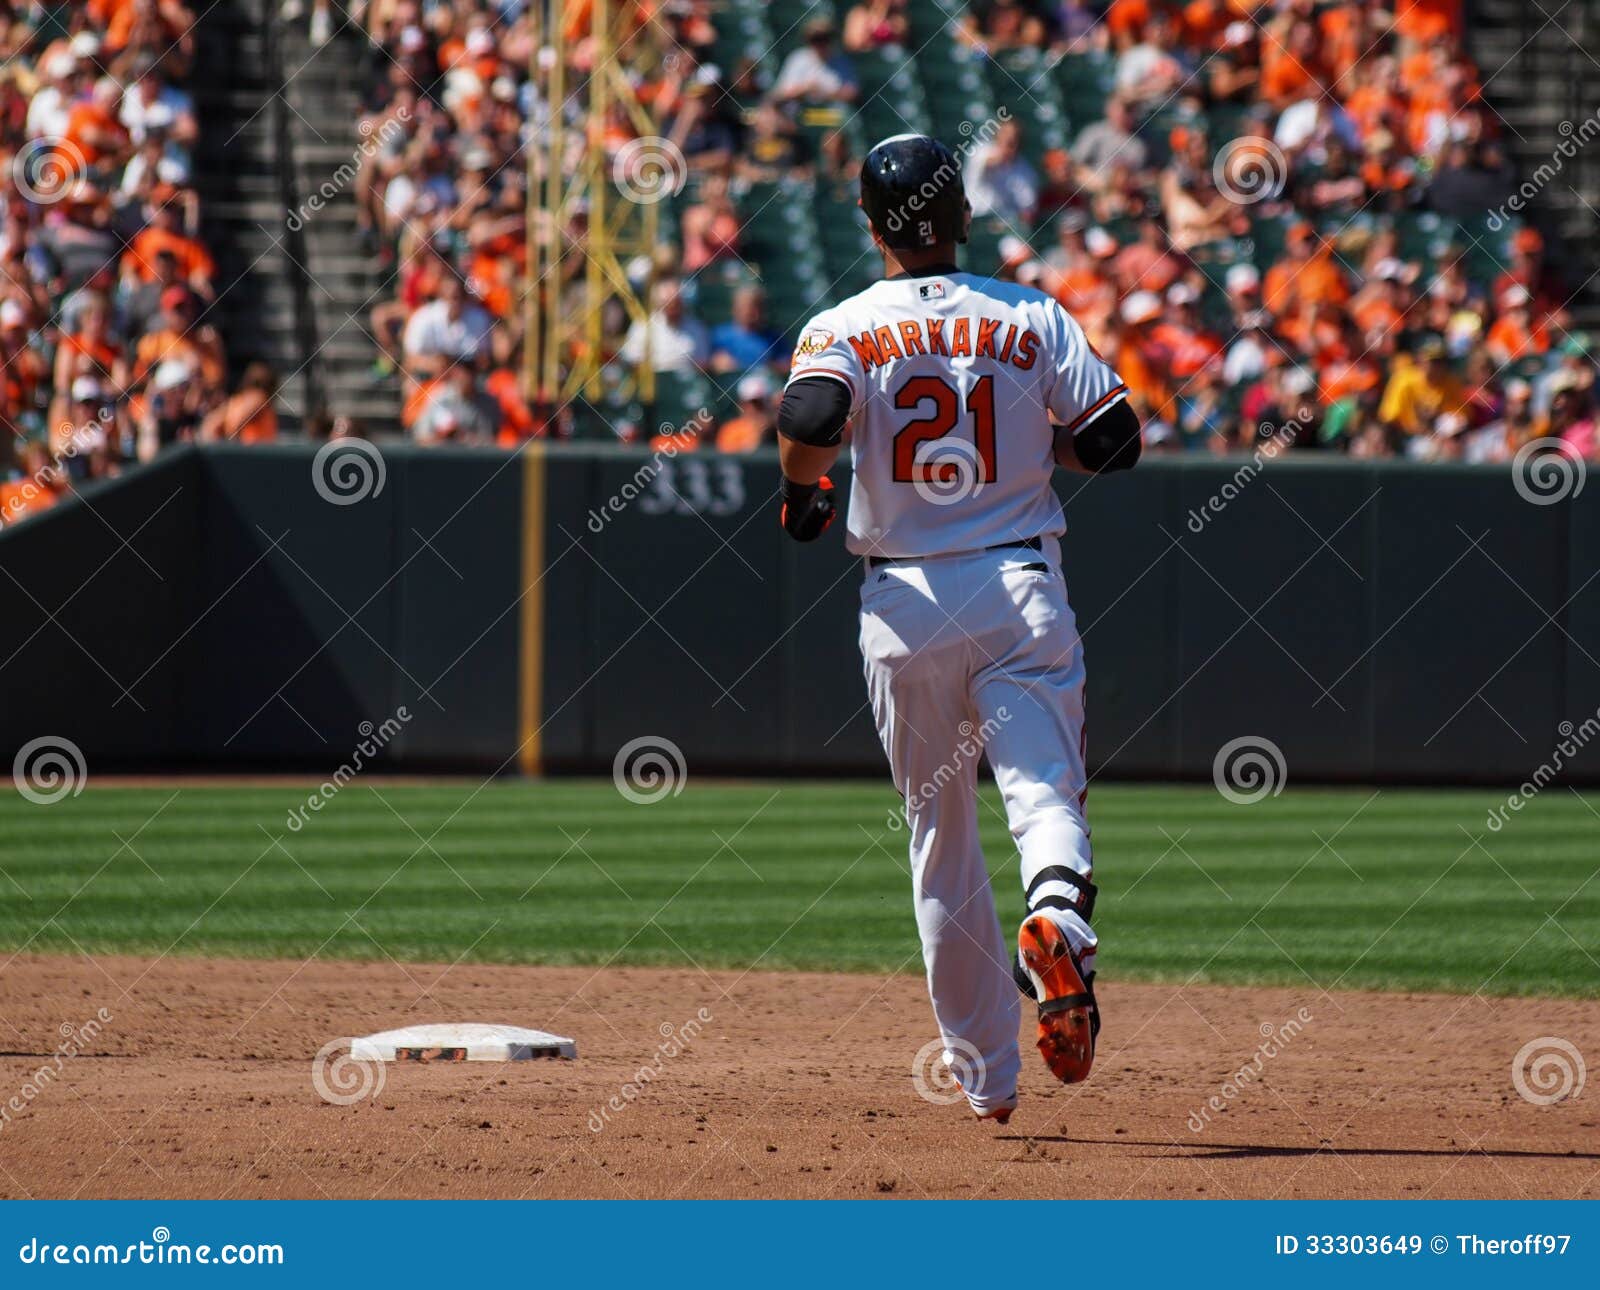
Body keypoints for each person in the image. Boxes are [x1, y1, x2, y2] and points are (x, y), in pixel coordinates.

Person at [775, 134, 1141, 1124]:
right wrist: (1040, 440)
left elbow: (810, 411)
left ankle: (986, 1079)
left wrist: (800, 492)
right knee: (1040, 788)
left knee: (940, 838)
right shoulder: (1031, 313)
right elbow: (1115, 441)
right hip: (1018, 582)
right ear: (964, 215)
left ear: (868, 221)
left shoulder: (846, 323)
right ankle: (1059, 914)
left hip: (904, 604)